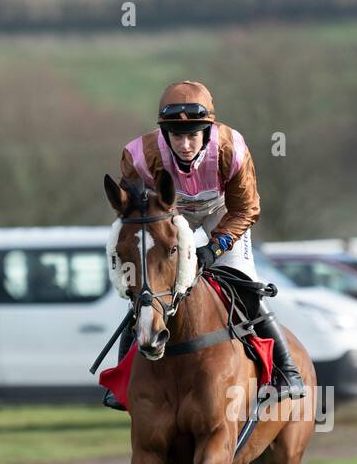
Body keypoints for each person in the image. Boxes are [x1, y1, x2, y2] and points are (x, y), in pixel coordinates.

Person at [102, 81, 306, 410]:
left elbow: (247, 208)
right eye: (176, 136)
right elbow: (135, 211)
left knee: (245, 284)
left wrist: (213, 248)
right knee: (148, 290)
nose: (184, 145)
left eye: (192, 135)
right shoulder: (138, 156)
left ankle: (287, 371)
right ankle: (123, 381)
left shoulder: (232, 149)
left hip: (222, 210)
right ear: (164, 133)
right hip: (170, 212)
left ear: (208, 130)